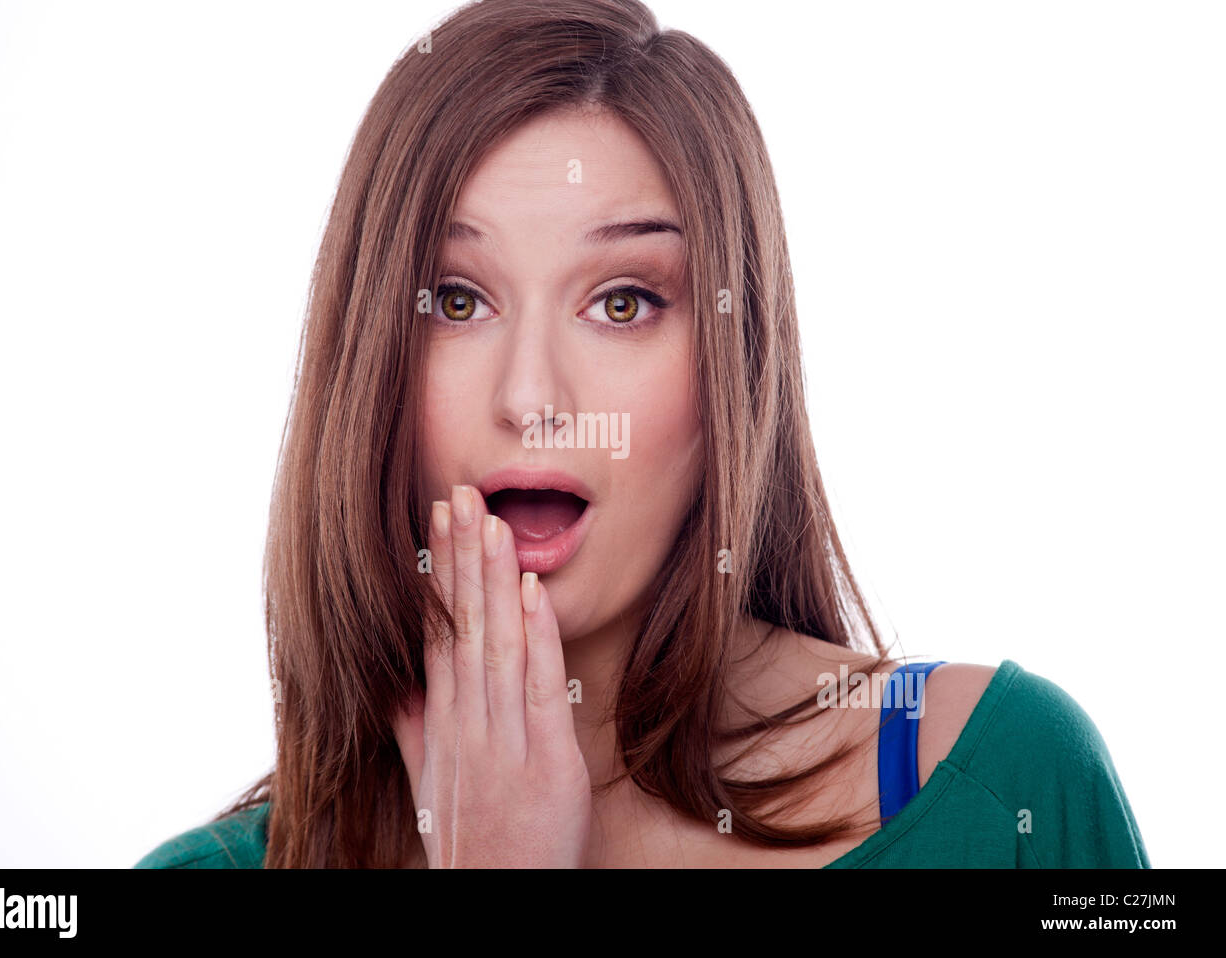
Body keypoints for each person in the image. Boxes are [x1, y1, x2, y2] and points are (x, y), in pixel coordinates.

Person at [135, 0, 1148, 869]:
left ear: (732, 366)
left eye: (622, 303)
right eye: (454, 298)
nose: (531, 396)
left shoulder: (1006, 786)